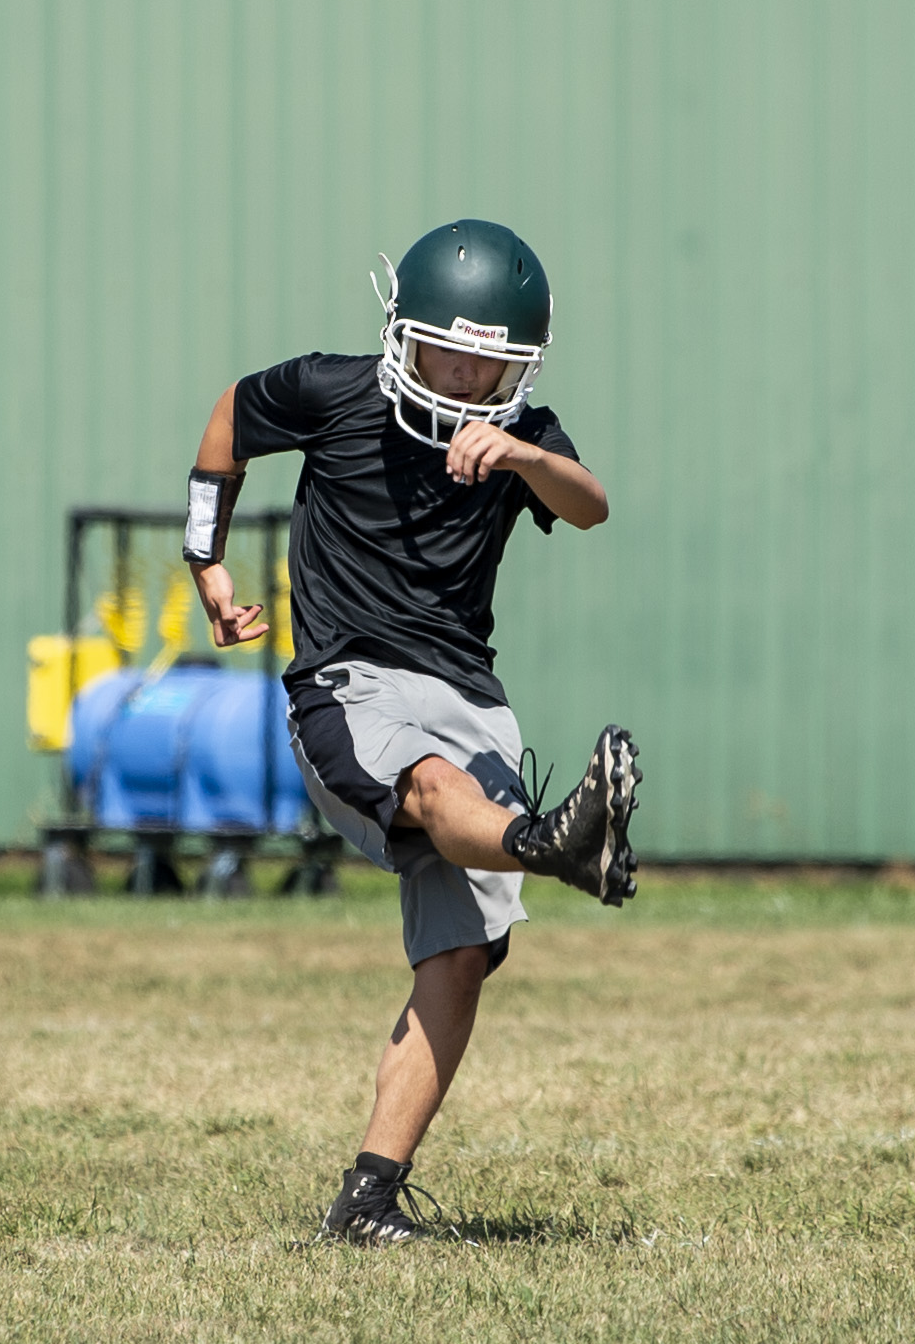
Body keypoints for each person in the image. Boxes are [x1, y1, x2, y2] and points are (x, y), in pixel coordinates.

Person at [181, 219, 641, 1244]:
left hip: (468, 694)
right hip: (349, 684)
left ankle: (368, 1199)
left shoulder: (526, 434)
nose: (470, 373)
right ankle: (553, 844)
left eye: (496, 361)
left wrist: (522, 454)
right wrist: (205, 561)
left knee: (461, 953)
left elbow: (595, 505)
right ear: (402, 330)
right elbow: (228, 418)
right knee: (435, 790)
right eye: (451, 347)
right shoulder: (332, 391)